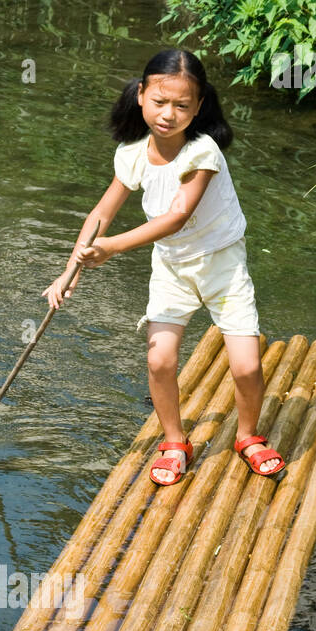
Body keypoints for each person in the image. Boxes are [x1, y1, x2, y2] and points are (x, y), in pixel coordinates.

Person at [44, 47, 285, 486]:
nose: (168, 114)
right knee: (160, 360)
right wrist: (67, 272)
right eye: (160, 102)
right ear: (140, 95)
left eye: (181, 105)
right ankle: (175, 440)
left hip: (221, 266)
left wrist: (112, 248)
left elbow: (176, 216)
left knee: (247, 366)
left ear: (198, 108)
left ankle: (248, 436)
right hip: (171, 268)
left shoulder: (203, 152)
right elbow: (101, 214)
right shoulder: (132, 154)